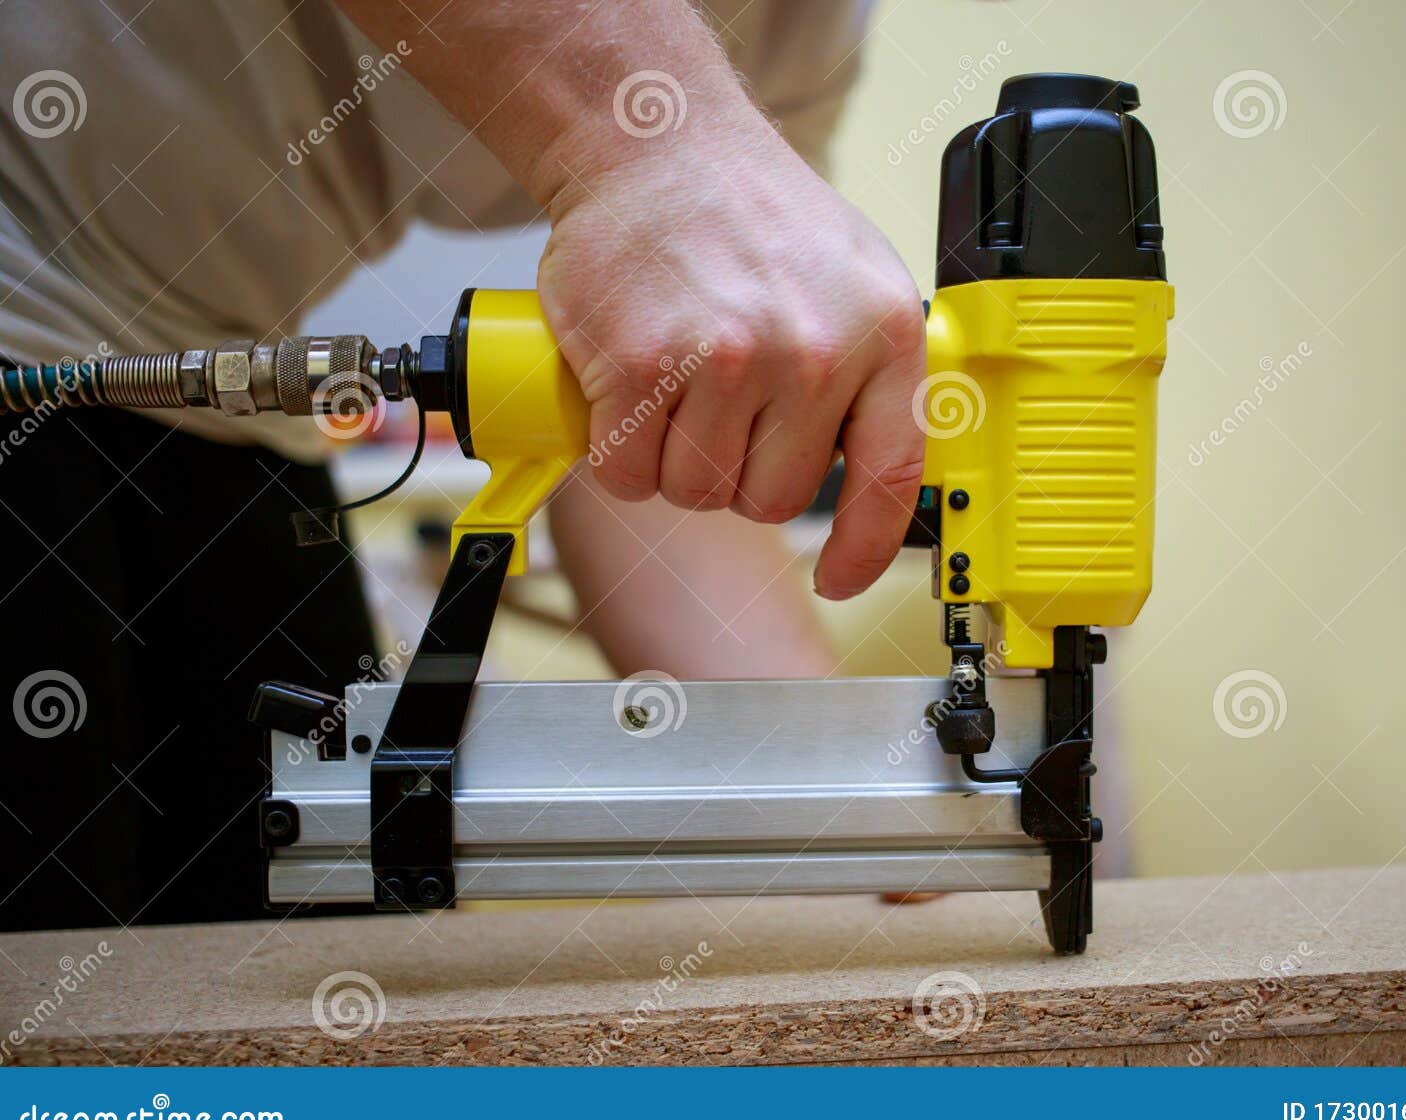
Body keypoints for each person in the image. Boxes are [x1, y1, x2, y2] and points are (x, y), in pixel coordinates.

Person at [0, 0, 929, 931]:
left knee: (296, 950)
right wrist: (651, 147)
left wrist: (867, 793)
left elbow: (657, 456)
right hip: (19, 309)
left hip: (221, 377)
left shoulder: (803, 25)